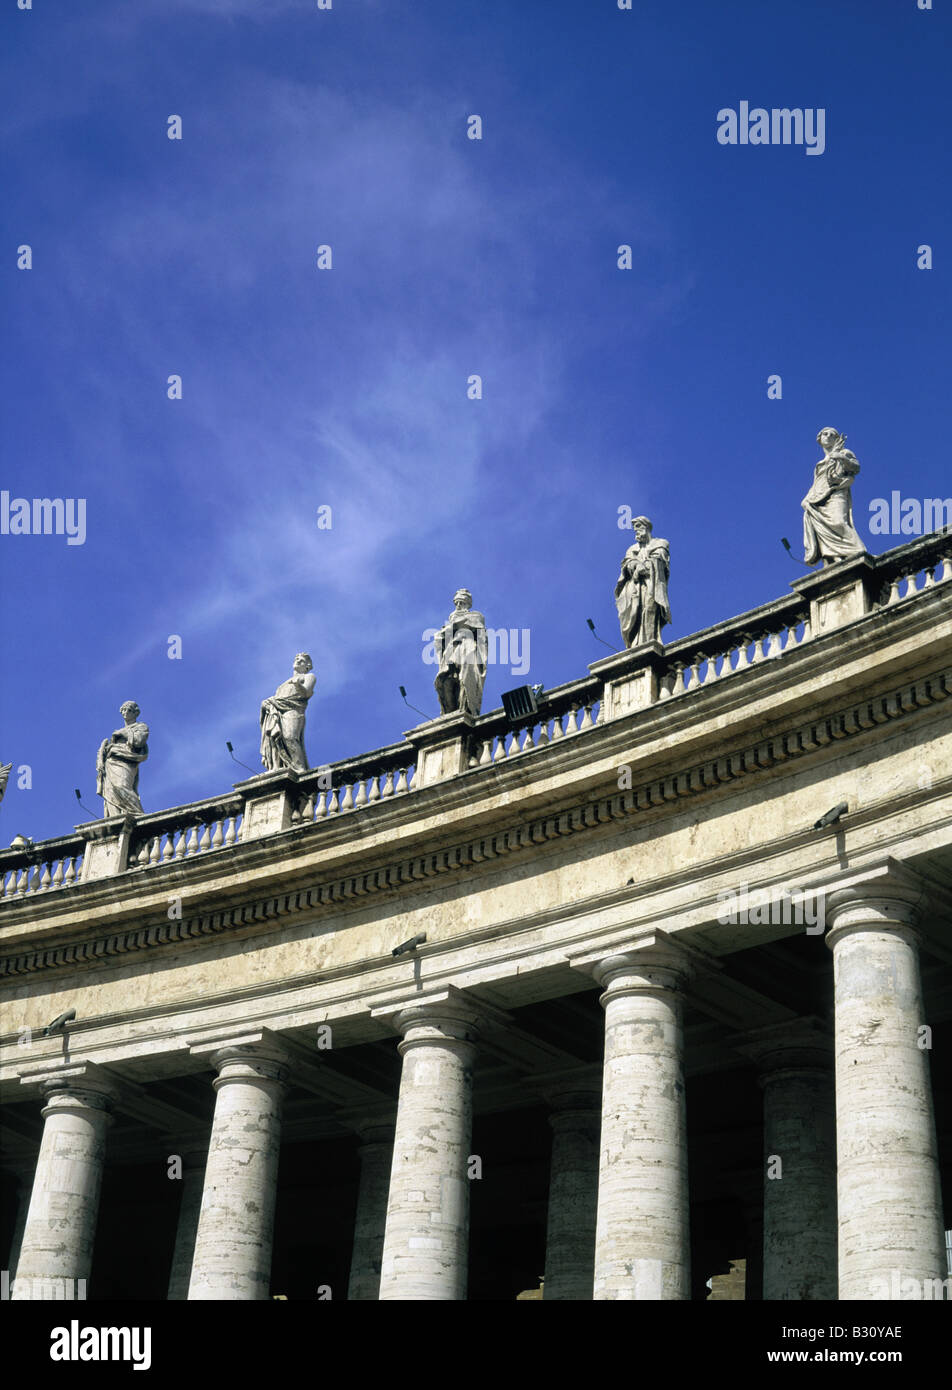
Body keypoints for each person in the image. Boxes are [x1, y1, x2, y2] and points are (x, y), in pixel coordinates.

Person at [802, 427, 867, 565]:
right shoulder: (819, 464)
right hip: (818, 499)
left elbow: (856, 467)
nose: (828, 436)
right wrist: (807, 498)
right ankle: (832, 559)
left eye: (832, 434)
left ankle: (860, 553)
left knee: (839, 522)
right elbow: (817, 483)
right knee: (820, 527)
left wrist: (840, 457)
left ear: (836, 439)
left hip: (837, 493)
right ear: (820, 439)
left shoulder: (844, 452)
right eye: (825, 434)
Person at [614, 516, 671, 648]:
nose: (637, 532)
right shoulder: (632, 549)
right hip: (635, 588)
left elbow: (659, 561)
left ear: (646, 527)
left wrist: (644, 566)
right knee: (634, 613)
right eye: (635, 529)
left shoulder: (661, 543)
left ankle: (649, 641)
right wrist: (634, 565)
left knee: (650, 609)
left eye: (639, 527)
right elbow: (626, 563)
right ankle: (636, 643)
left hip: (652, 584)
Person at [434, 589, 488, 717]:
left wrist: (452, 625)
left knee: (465, 678)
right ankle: (450, 712)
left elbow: (479, 631)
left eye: (461, 603)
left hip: (467, 647)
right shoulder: (453, 620)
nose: (458, 606)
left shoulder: (476, 616)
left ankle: (465, 708)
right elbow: (440, 637)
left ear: (468, 604)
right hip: (452, 649)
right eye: (456, 603)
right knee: (446, 679)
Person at [260, 654, 316, 773]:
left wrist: (297, 684)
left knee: (290, 737)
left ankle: (299, 768)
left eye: (302, 661)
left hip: (294, 710)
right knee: (275, 737)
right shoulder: (282, 685)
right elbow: (279, 697)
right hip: (276, 709)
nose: (298, 661)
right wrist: (268, 703)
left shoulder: (309, 676)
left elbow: (306, 693)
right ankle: (276, 767)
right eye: (297, 660)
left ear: (308, 666)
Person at [97, 702, 149, 817]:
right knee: (111, 792)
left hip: (126, 762)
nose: (125, 712)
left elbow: (139, 741)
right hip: (111, 762)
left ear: (135, 713)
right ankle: (116, 817)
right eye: (123, 710)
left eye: (128, 710)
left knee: (121, 787)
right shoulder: (117, 732)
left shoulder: (141, 727)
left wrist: (124, 732)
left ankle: (138, 815)